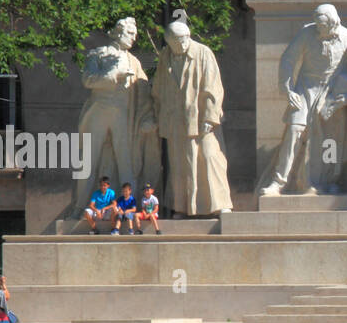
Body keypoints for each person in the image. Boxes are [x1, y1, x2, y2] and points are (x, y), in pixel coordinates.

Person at [260, 4, 347, 196]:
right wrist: (288, 90)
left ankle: (329, 180)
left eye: (322, 25)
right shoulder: (306, 33)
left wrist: (343, 99)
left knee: (330, 140)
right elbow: (288, 59)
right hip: (306, 88)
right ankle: (279, 181)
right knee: (294, 129)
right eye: (317, 24)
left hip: (331, 93)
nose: (319, 29)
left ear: (332, 22)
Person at [151, 19, 234, 217]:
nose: (182, 43)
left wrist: (210, 117)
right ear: (169, 41)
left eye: (184, 38)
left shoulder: (203, 53)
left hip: (199, 119)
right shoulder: (165, 56)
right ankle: (182, 207)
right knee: (179, 163)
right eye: (176, 40)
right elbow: (158, 88)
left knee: (210, 156)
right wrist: (157, 114)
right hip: (174, 119)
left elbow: (214, 86)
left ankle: (221, 203)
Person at [74, 16, 157, 211]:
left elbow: (144, 91)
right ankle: (79, 207)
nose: (133, 38)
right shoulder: (99, 54)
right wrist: (115, 76)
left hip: (123, 115)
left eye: (135, 35)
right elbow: (88, 79)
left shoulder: (134, 61)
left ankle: (131, 205)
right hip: (98, 112)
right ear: (118, 32)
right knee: (88, 162)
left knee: (126, 162)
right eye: (130, 34)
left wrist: (149, 116)